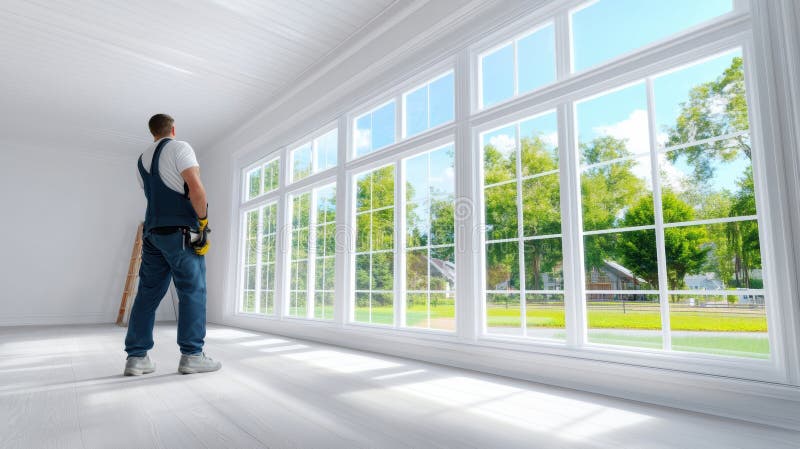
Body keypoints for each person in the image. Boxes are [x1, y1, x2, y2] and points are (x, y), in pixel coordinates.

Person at [123, 114, 221, 376]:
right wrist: (203, 225)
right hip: (180, 232)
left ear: (152, 132)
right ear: (173, 129)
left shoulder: (141, 161)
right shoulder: (181, 147)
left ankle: (136, 358)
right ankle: (192, 355)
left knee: (147, 293)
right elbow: (196, 189)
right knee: (192, 290)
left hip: (152, 232)